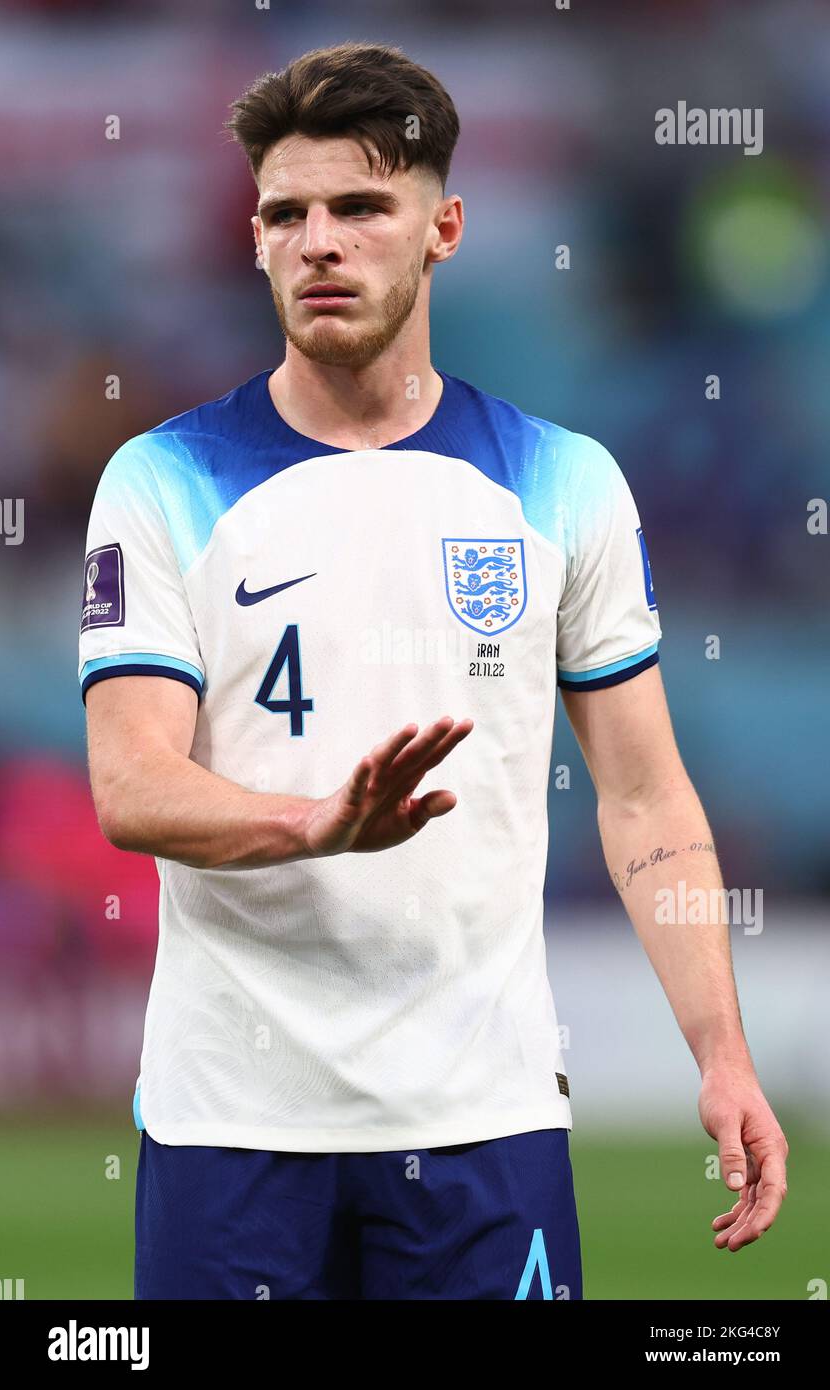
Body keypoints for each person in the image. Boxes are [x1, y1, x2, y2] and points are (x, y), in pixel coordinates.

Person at [78, 41, 788, 1301]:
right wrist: (316, 823)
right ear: (252, 240)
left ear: (443, 228)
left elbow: (644, 800)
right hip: (230, 1120)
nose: (319, 242)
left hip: (484, 1118)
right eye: (285, 214)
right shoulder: (160, 480)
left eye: (360, 207)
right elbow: (133, 783)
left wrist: (721, 1053)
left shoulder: (562, 480)